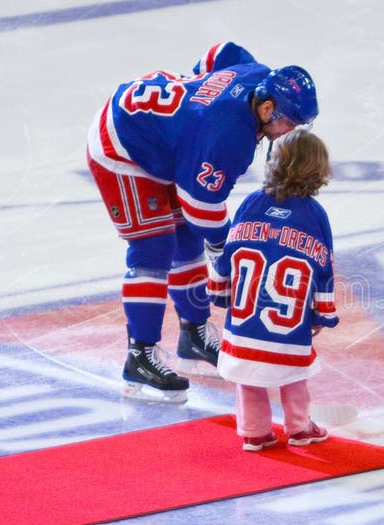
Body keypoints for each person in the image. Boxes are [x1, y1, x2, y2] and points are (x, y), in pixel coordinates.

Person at [87, 41, 319, 404]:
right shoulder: (227, 137)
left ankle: (193, 334)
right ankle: (139, 356)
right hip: (122, 147)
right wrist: (223, 249)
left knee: (185, 241)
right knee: (154, 247)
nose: (290, 131)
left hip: (158, 136)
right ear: (267, 108)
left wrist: (194, 95)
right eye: (288, 121)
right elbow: (200, 207)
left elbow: (222, 52)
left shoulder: (258, 77)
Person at [207, 129, 339, 451]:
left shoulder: (251, 204)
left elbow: (228, 255)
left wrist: (221, 293)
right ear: (318, 170)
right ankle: (299, 427)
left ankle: (254, 431)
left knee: (249, 377)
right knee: (293, 375)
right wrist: (323, 314)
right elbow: (324, 270)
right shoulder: (315, 216)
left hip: (244, 323)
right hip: (289, 328)